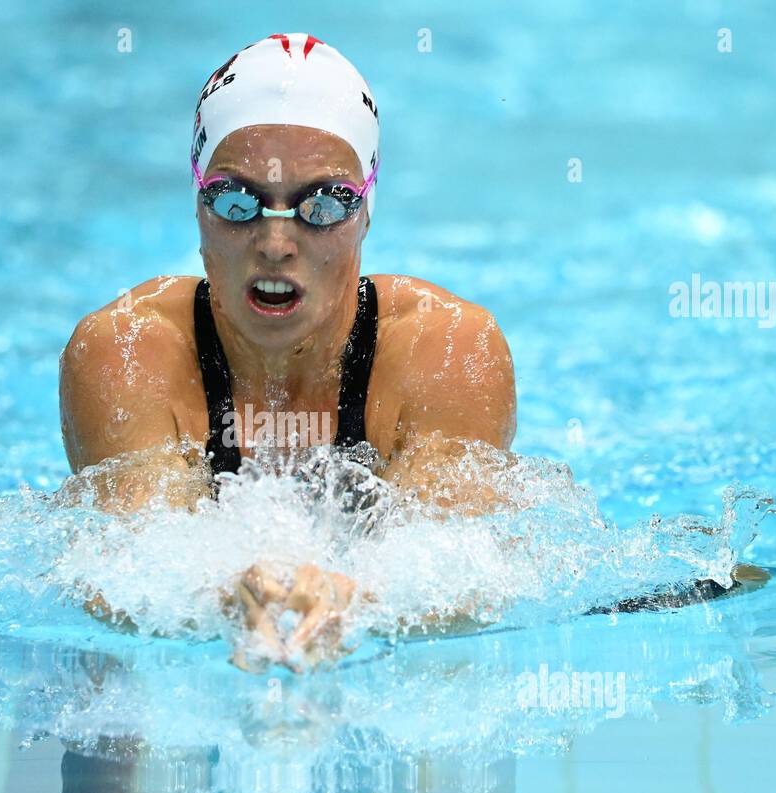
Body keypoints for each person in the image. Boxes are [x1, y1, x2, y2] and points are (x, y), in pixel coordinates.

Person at [61, 34, 516, 670]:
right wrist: (220, 596)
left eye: (324, 204)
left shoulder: (447, 350)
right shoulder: (127, 352)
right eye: (235, 201)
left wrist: (361, 598)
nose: (276, 241)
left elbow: (462, 572)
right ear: (197, 207)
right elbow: (128, 570)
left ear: (366, 212)